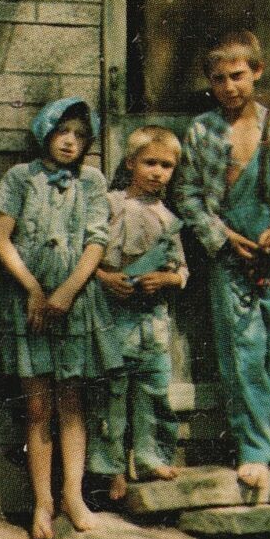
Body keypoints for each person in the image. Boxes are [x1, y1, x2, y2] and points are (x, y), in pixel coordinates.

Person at [175, 30, 270, 492]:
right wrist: (220, 239)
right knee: (243, 352)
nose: (229, 87)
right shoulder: (203, 131)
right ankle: (254, 450)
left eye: (238, 76)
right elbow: (186, 194)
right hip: (230, 256)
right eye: (219, 79)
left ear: (257, 72)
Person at [0, 97, 115, 538]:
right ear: (46, 132)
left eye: (80, 135)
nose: (70, 141)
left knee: (72, 402)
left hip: (74, 302)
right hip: (28, 303)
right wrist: (35, 289)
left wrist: (64, 292)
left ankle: (72, 497)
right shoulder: (21, 178)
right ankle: (42, 503)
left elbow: (97, 242)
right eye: (62, 131)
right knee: (38, 405)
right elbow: (1, 238)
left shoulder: (92, 182)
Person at [90, 125, 187, 503]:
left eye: (166, 166)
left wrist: (165, 278)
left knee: (152, 390)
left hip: (152, 322)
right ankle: (111, 469)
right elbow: (87, 254)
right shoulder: (111, 205)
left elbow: (182, 269)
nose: (157, 172)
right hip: (111, 315)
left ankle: (150, 457)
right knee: (111, 394)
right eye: (150, 163)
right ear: (131, 163)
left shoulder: (168, 218)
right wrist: (103, 278)